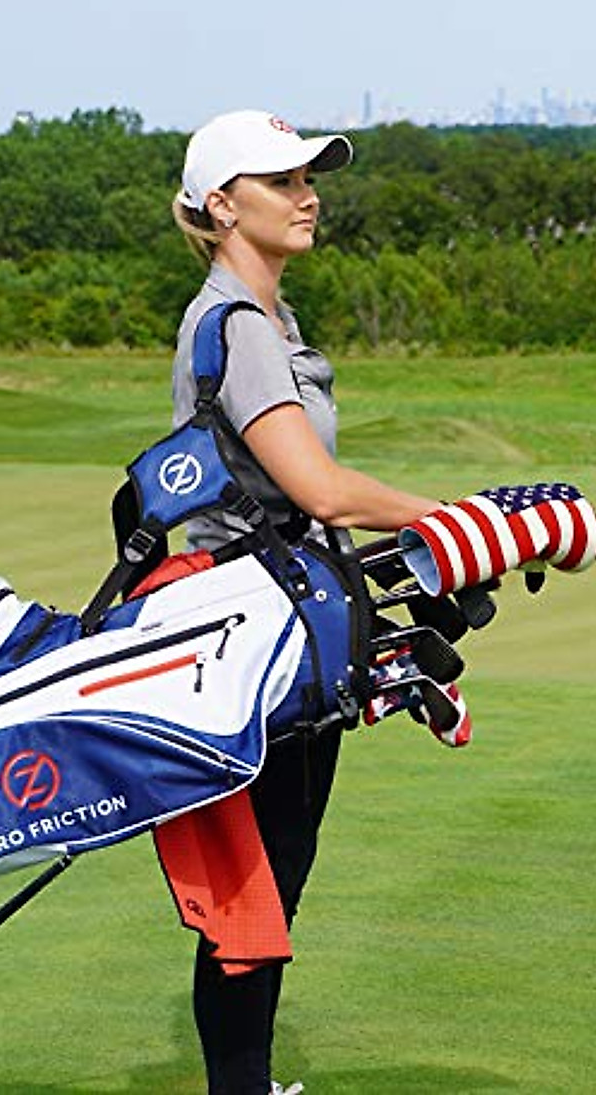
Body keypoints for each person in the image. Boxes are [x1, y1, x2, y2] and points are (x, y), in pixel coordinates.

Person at [169, 109, 441, 1095]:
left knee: (280, 867)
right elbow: (320, 491)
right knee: (257, 881)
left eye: (308, 178)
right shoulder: (237, 327)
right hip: (252, 633)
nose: (307, 195)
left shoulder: (272, 323)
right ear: (221, 205)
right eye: (281, 181)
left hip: (291, 623)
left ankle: (248, 1081)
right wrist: (458, 519)